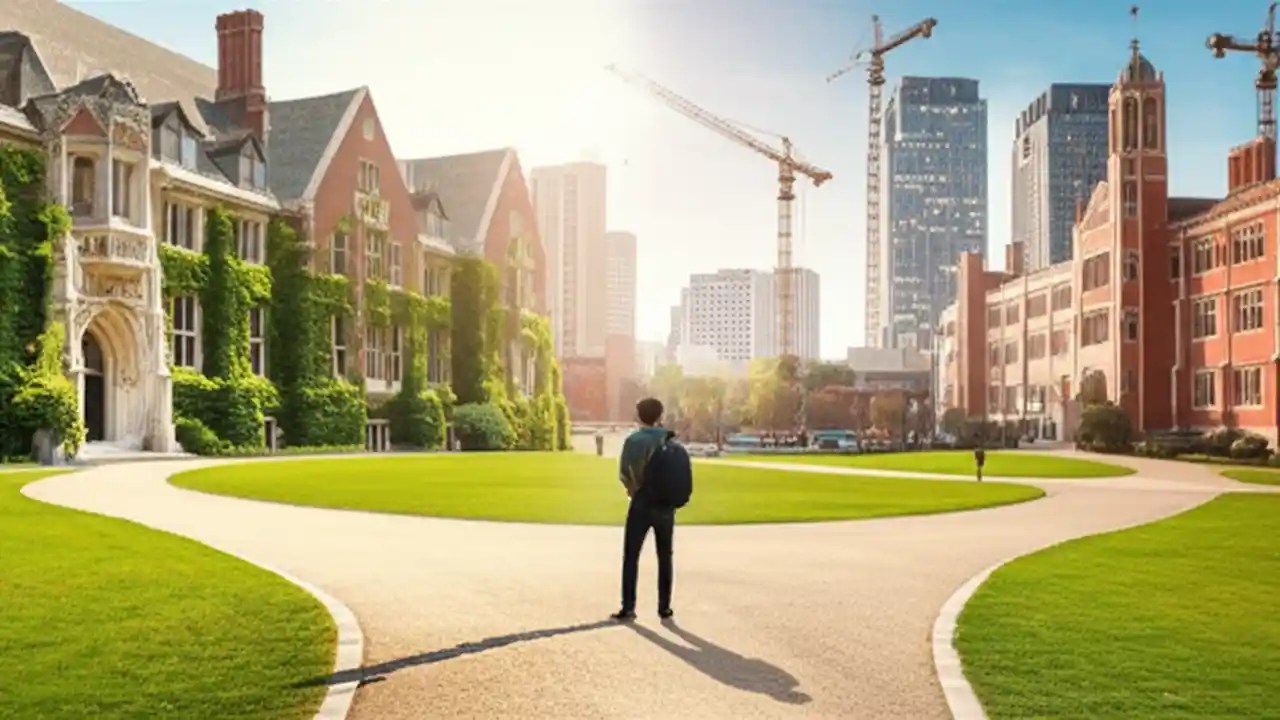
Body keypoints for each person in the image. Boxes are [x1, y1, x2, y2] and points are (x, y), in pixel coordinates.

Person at [612, 397, 676, 622]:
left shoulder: (633, 440)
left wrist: (633, 490)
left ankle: (628, 606)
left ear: (639, 416)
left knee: (631, 555)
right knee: (665, 556)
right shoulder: (668, 439)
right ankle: (664, 607)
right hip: (665, 505)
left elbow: (623, 473)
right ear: (660, 416)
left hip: (641, 502)